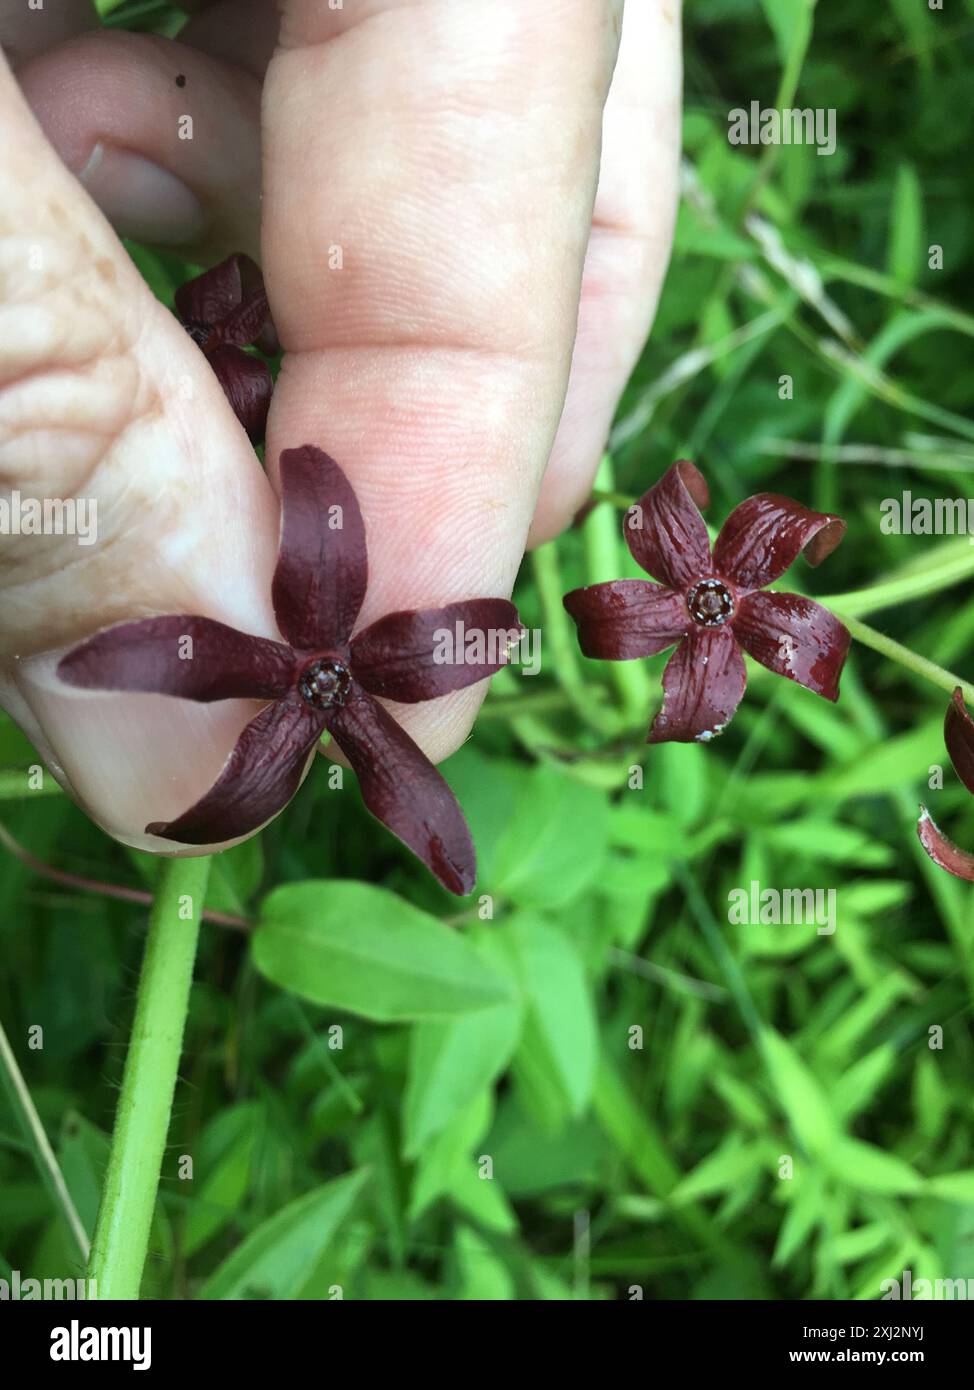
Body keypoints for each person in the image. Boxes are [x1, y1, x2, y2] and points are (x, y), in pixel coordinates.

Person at [0, 0, 680, 850]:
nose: (323, 688)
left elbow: (477, 638)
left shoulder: (346, 668)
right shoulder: (306, 616)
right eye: (327, 684)